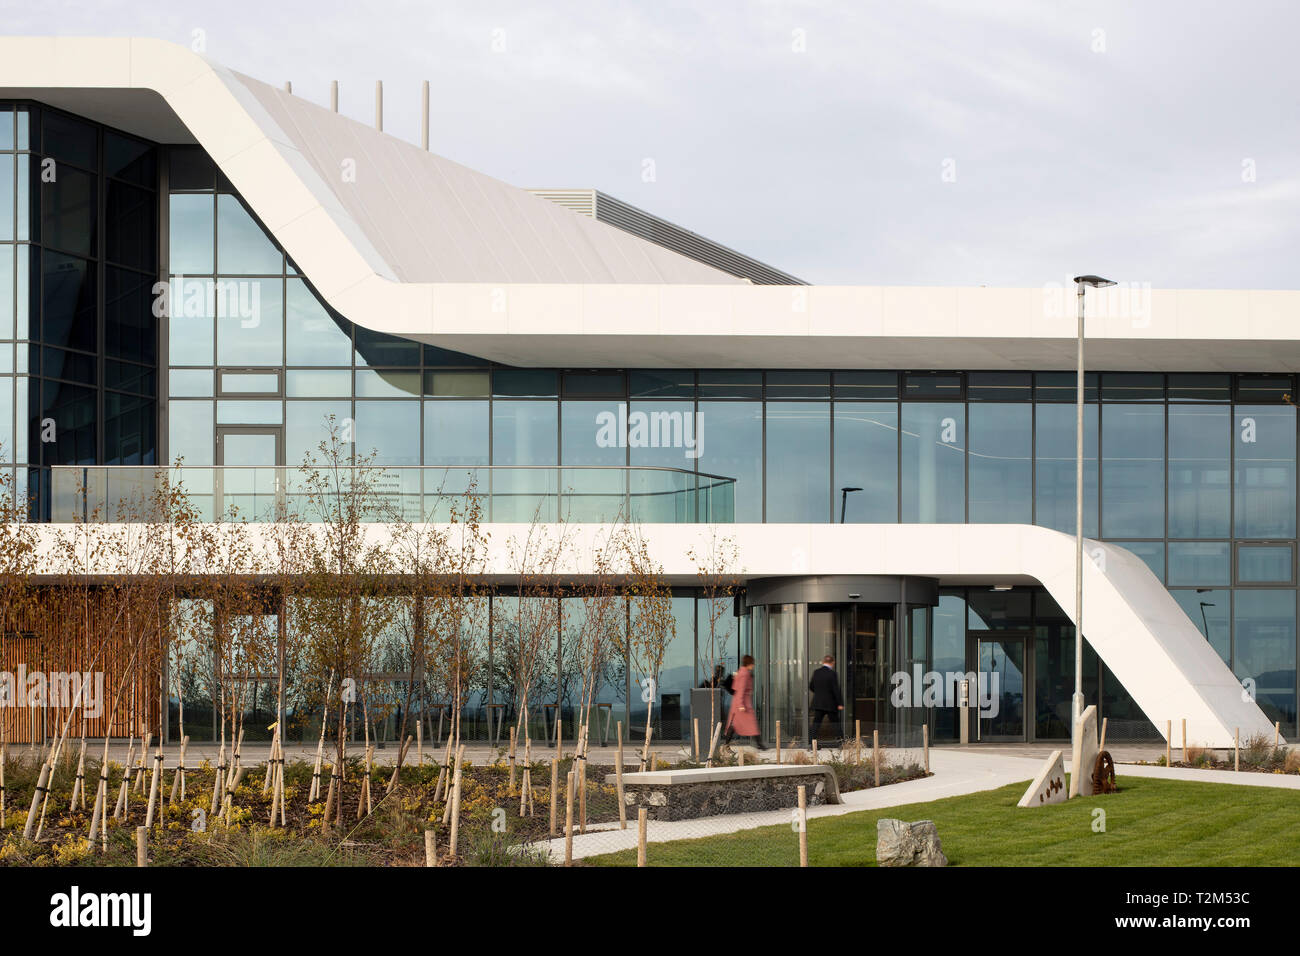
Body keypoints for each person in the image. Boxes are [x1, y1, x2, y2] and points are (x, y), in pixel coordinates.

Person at [725, 655, 761, 748]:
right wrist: (741, 705)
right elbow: (741, 689)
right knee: (751, 724)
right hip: (742, 703)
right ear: (749, 663)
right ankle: (760, 745)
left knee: (734, 724)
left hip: (738, 702)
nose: (753, 665)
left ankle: (726, 745)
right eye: (752, 663)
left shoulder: (741, 671)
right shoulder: (744, 674)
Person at [808, 654, 843, 745]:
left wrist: (819, 693)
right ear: (832, 663)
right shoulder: (832, 674)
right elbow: (835, 689)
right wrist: (840, 703)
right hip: (830, 703)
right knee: (835, 723)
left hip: (818, 702)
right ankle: (841, 742)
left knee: (816, 723)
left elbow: (811, 686)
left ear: (823, 662)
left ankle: (811, 742)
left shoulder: (816, 672)